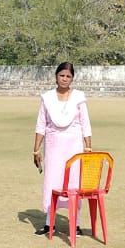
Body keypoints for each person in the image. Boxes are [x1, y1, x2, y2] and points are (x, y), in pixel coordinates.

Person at [32, 62, 92, 236]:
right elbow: (41, 124)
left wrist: (88, 146)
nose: (64, 79)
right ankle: (49, 223)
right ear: (56, 76)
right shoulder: (47, 98)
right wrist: (36, 150)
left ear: (72, 78)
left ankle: (76, 224)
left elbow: (85, 123)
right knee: (52, 181)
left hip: (74, 145)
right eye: (62, 75)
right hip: (53, 146)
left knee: (73, 182)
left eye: (68, 76)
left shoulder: (79, 97)